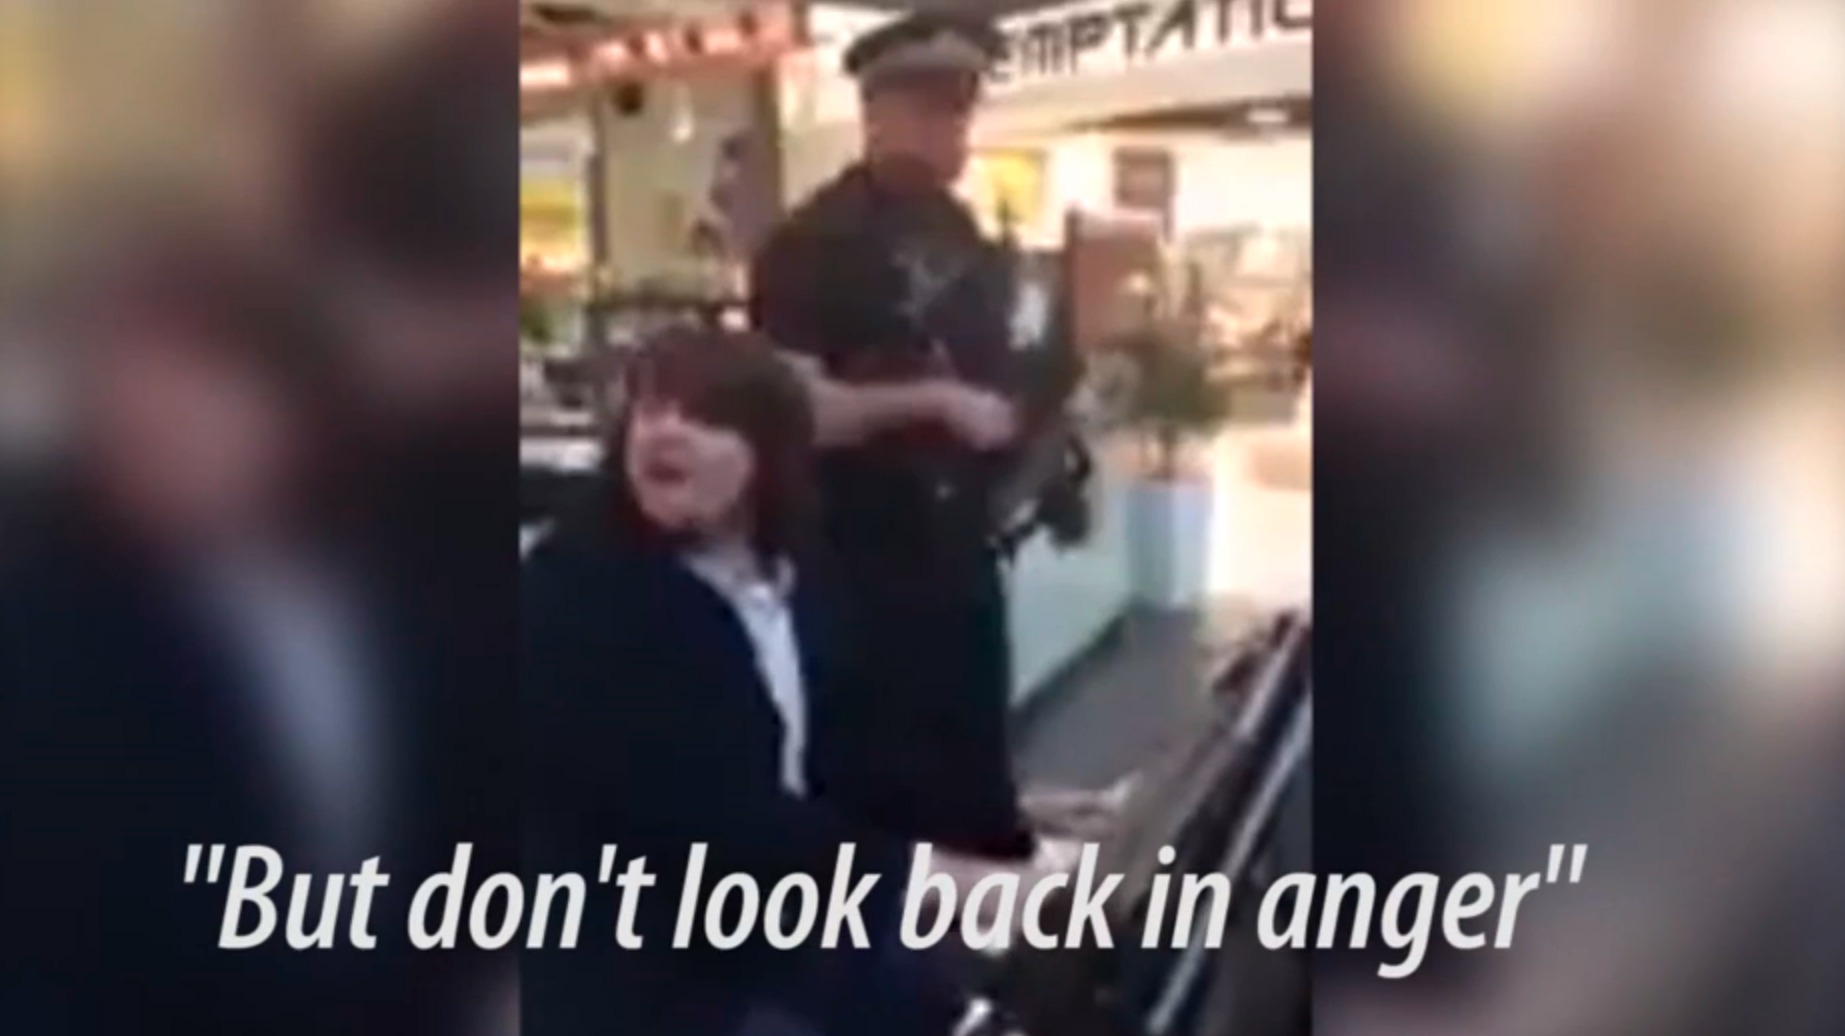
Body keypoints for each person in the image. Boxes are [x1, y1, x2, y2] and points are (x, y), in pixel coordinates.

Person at [522, 329, 1035, 1036]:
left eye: (706, 416)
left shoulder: (796, 578)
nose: (665, 429)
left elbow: (846, 759)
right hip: (642, 978)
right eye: (650, 410)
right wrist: (926, 876)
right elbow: (708, 820)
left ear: (768, 451)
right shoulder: (576, 590)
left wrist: (1012, 829)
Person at [747, 12, 1033, 860]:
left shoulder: (963, 235)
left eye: (962, 112)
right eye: (934, 110)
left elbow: (993, 368)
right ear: (875, 114)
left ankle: (969, 974)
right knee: (864, 811)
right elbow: (795, 408)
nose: (954, 132)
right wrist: (937, 403)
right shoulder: (810, 246)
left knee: (970, 788)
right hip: (857, 563)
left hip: (957, 555)